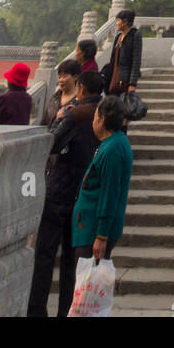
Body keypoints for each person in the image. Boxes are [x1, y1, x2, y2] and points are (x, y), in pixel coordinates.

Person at [27, 70, 104, 317]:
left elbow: (52, 143)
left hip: (59, 190)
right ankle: (67, 311)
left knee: (45, 256)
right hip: (84, 196)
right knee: (72, 261)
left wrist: (59, 120)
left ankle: (37, 310)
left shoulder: (74, 113)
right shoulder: (105, 115)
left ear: (80, 88)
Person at [71, 94, 133, 273]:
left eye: (95, 116)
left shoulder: (113, 149)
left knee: (87, 290)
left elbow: (109, 194)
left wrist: (101, 235)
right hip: (88, 227)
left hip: (94, 231)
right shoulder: (112, 143)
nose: (93, 121)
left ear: (102, 119)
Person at [101, 9, 142, 95]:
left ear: (125, 22)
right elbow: (113, 59)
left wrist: (132, 83)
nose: (117, 23)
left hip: (125, 79)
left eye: (118, 20)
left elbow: (136, 60)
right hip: (114, 76)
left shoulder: (135, 35)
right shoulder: (118, 37)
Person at [44, 58, 82, 127]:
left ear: (75, 77)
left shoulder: (79, 100)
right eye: (59, 76)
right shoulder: (55, 97)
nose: (61, 80)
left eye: (64, 76)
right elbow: (44, 120)